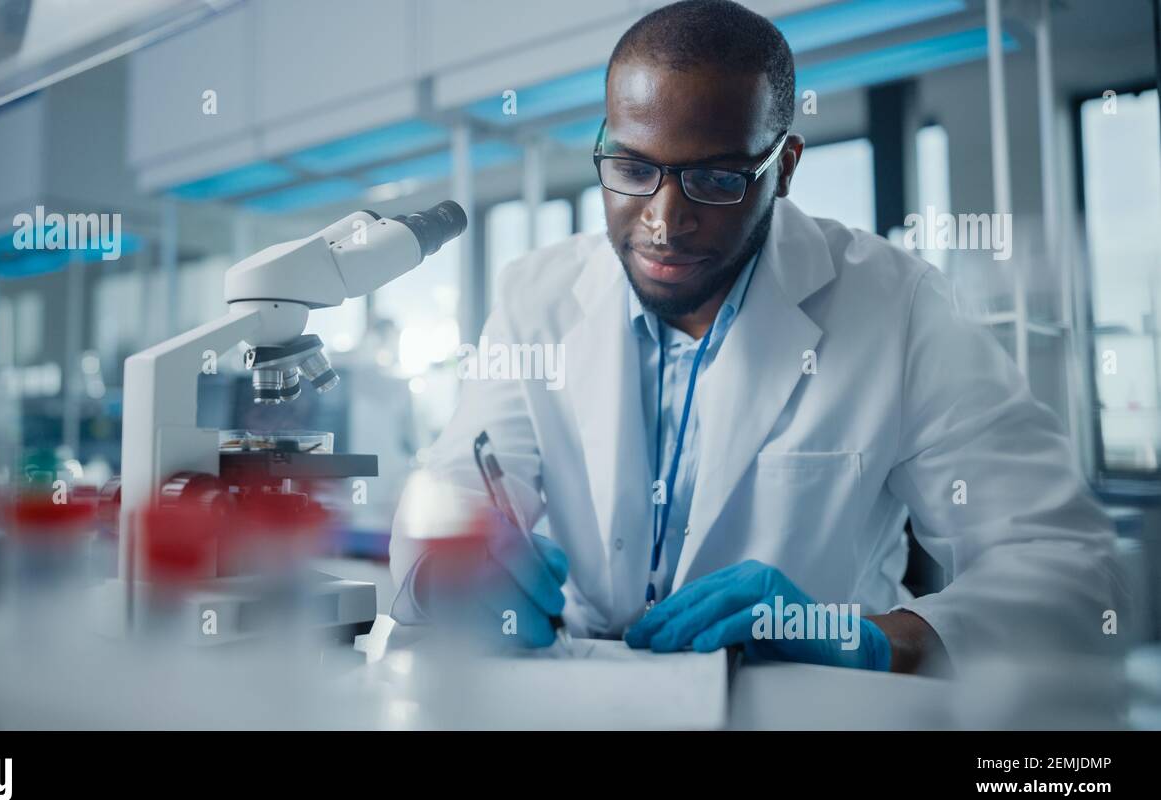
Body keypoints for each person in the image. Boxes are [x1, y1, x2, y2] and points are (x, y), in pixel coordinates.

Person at [388, 0, 1126, 674]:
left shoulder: (896, 305)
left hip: (810, 708)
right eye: (632, 169)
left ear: (785, 167)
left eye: (713, 178)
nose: (663, 220)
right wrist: (452, 563)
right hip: (581, 694)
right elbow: (452, 490)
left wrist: (874, 636)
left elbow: (1070, 567)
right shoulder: (536, 298)